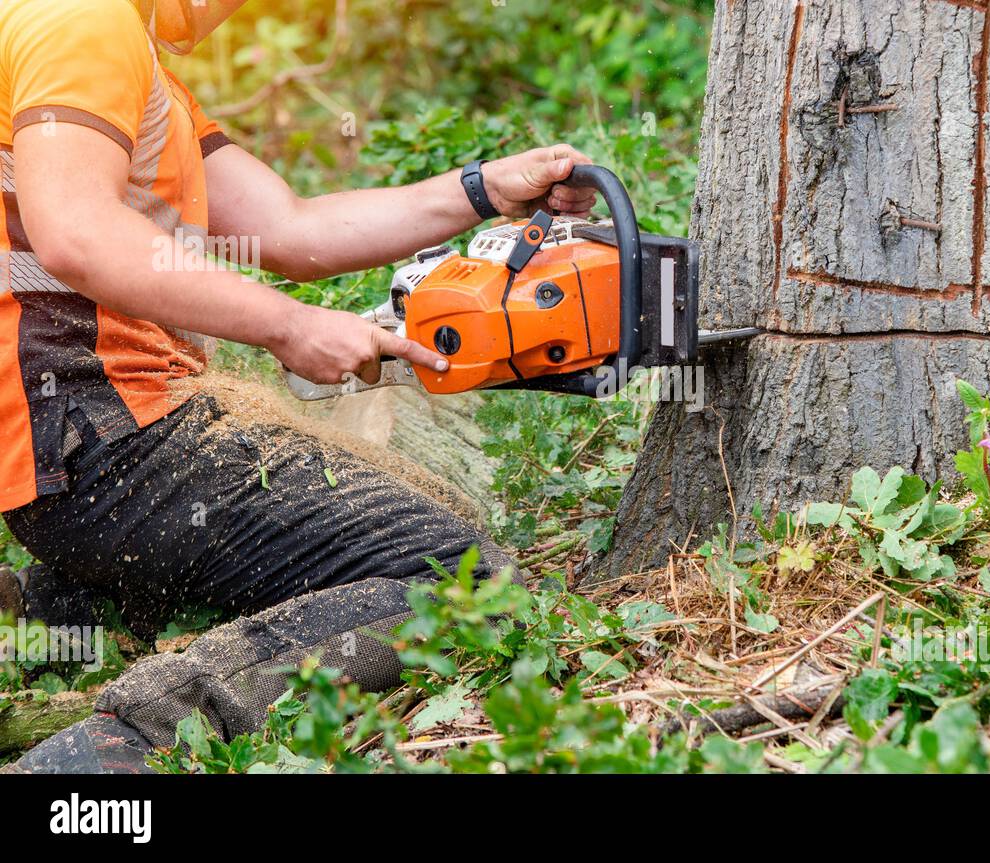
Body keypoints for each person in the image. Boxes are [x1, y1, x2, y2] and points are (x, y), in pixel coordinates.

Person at [0, 0, 596, 772]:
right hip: (103, 442)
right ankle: (117, 748)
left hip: (76, 451)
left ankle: (48, 612)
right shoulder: (82, 21)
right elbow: (76, 231)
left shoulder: (132, 64)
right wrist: (289, 328)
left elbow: (291, 229)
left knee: (287, 563)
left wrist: (483, 189)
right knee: (462, 578)